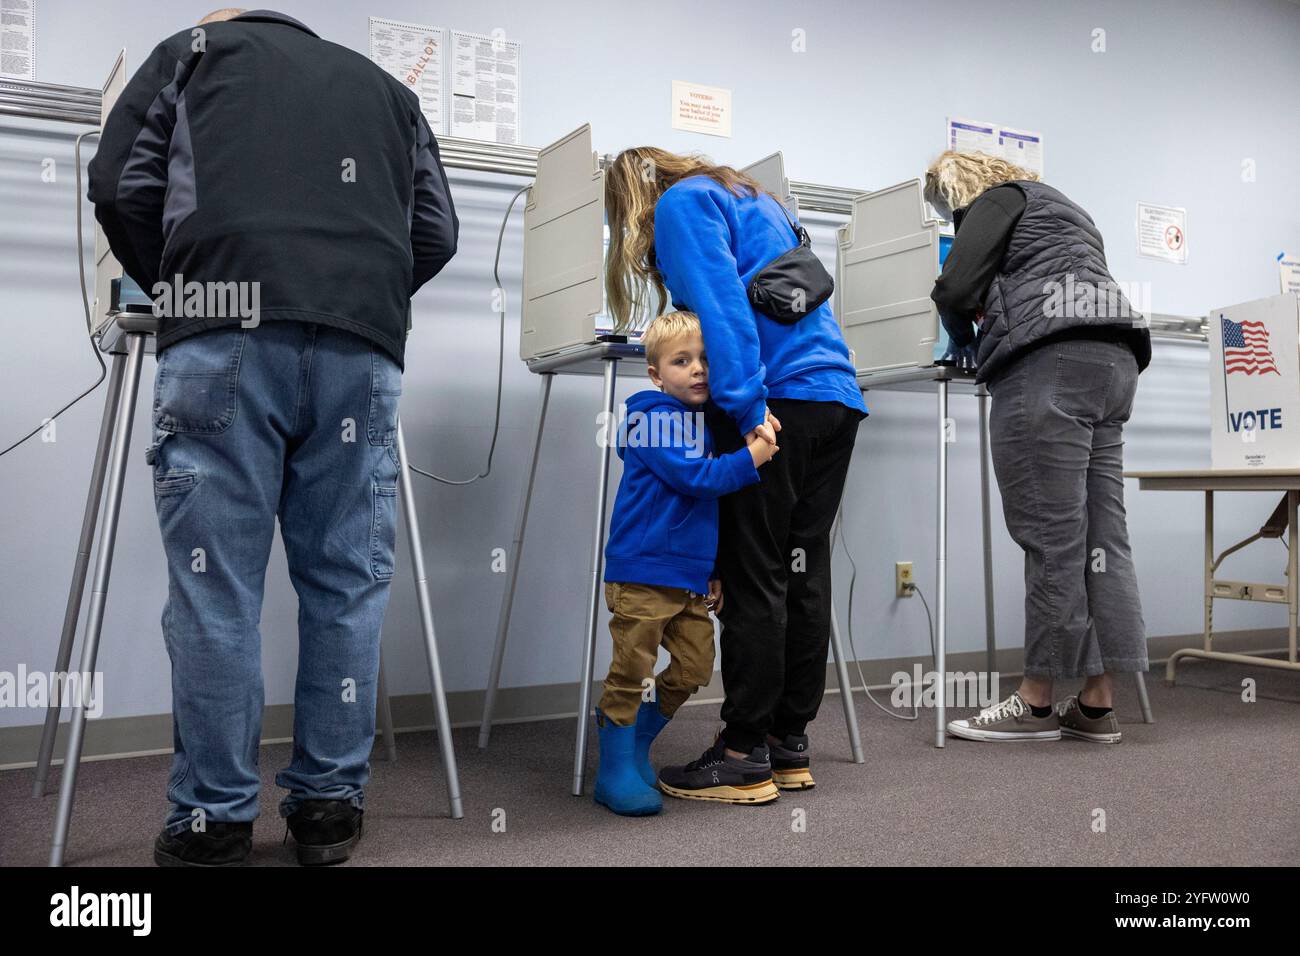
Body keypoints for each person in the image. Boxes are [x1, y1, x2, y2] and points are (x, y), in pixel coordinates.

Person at [88, 8, 458, 865]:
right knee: (346, 584)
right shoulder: (392, 90)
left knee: (215, 590)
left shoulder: (193, 51)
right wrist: (358, 293)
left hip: (222, 333)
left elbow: (121, 186)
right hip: (360, 351)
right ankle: (328, 810)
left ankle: (213, 820)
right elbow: (435, 232)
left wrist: (184, 288)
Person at [603, 148, 867, 803]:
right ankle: (788, 744)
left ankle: (743, 754)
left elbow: (722, 309)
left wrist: (748, 409)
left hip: (776, 401)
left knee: (757, 576)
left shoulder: (681, 203)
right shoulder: (754, 200)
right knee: (804, 570)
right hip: (836, 398)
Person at [924, 150, 1151, 744]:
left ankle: (1037, 701)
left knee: (1051, 536)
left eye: (949, 206)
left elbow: (954, 288)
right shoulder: (1068, 209)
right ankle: (1098, 705)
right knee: (1104, 539)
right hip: (1116, 362)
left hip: (1048, 366)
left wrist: (962, 342)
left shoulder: (997, 200)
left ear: (959, 188)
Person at [595, 311, 776, 814]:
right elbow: (699, 480)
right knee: (633, 668)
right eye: (682, 361)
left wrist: (711, 567)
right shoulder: (650, 419)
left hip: (688, 575)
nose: (698, 369)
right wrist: (754, 457)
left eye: (704, 360)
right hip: (644, 571)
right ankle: (612, 769)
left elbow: (702, 510)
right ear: (656, 374)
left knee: (695, 665)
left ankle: (635, 743)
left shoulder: (696, 422)